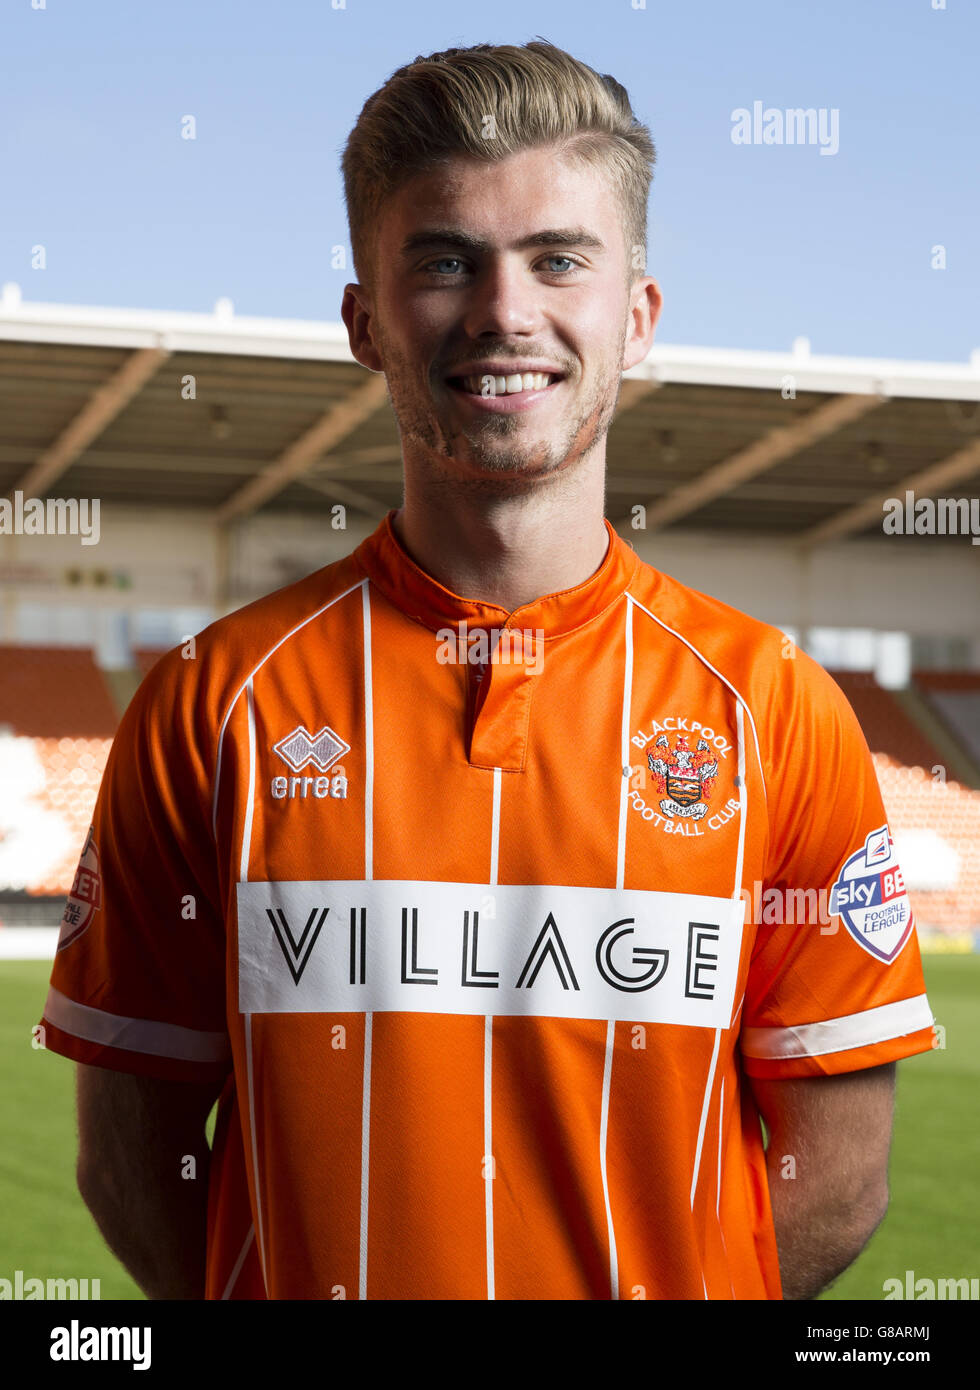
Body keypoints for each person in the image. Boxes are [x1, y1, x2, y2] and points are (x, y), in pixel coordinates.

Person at [39, 39, 935, 1301]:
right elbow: (132, 1158)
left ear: (635, 317)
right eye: (444, 260)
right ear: (364, 318)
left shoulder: (774, 708)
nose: (504, 312)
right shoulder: (213, 700)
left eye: (557, 258)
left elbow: (836, 1177)